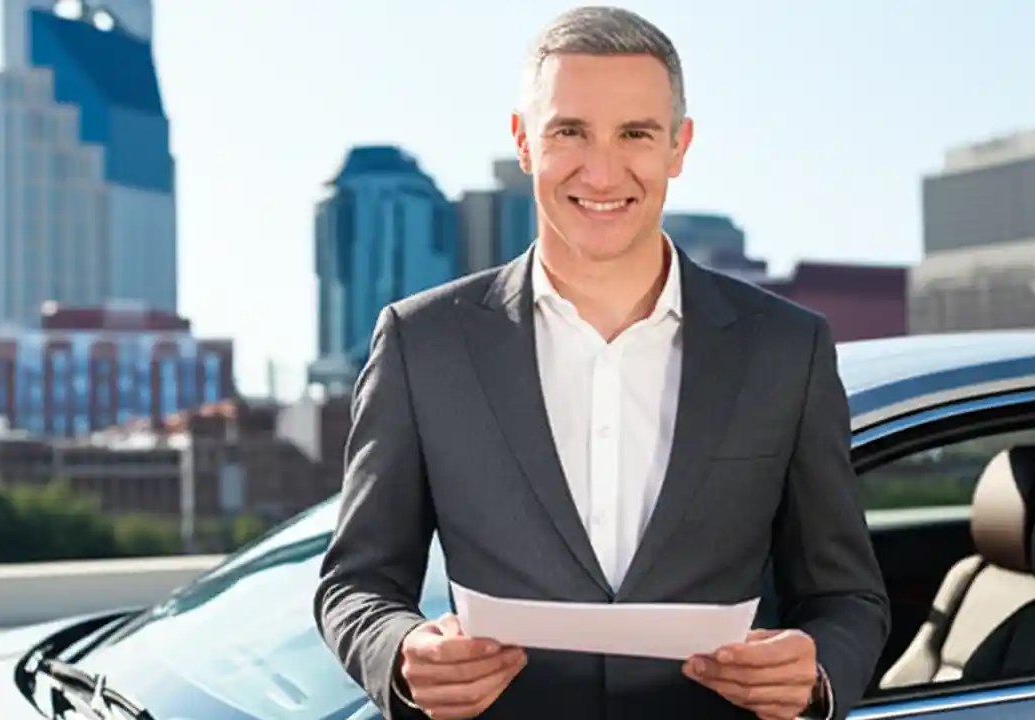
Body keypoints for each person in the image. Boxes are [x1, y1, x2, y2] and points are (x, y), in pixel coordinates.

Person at [314, 6, 889, 719]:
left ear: (679, 147)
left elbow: (847, 597)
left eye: (636, 135)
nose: (602, 169)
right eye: (570, 132)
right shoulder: (421, 342)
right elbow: (356, 584)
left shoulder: (785, 348)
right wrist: (401, 655)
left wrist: (817, 674)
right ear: (524, 141)